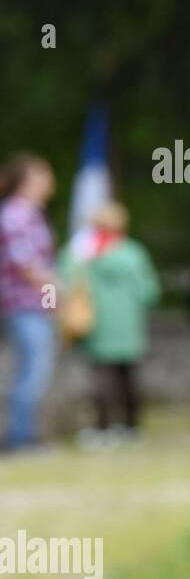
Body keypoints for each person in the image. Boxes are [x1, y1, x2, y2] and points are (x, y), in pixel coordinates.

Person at [61, 201, 160, 443]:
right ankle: (130, 427)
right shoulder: (133, 253)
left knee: (102, 379)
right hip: (128, 327)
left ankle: (102, 428)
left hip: (98, 325)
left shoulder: (81, 254)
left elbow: (65, 282)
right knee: (128, 377)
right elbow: (149, 292)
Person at [0, 153, 58, 451]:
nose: (50, 181)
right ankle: (20, 438)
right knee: (33, 370)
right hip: (24, 305)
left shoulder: (31, 214)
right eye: (44, 175)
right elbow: (26, 265)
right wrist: (58, 289)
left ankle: (25, 434)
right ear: (28, 180)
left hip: (35, 306)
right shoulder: (15, 214)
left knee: (35, 369)